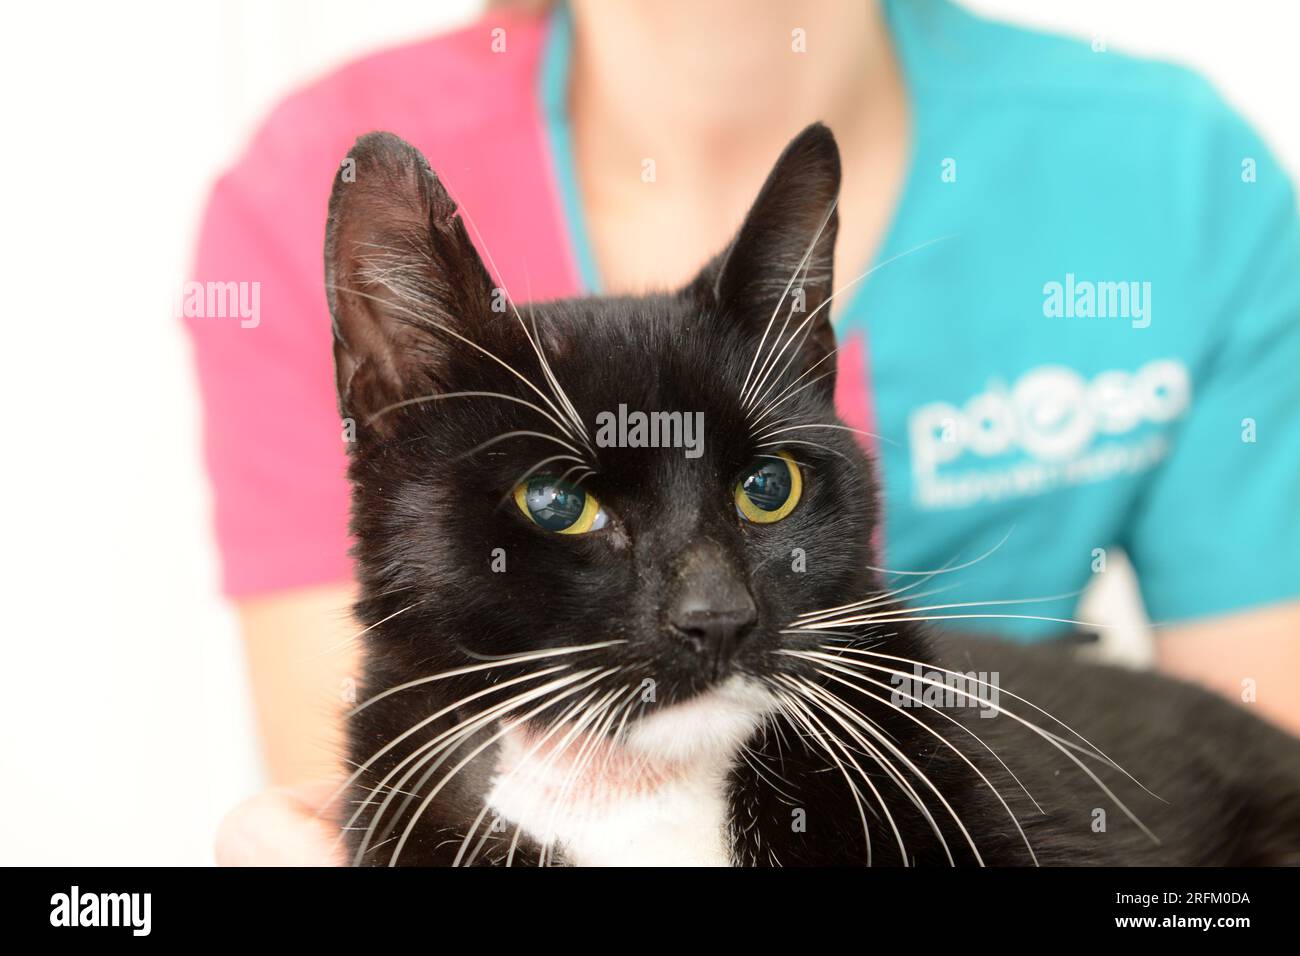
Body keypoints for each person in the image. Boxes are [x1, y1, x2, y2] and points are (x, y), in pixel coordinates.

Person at [188, 0, 1300, 862]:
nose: (709, 601)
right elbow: (362, 751)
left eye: (764, 491)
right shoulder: (300, 177)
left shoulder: (1164, 167)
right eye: (569, 501)